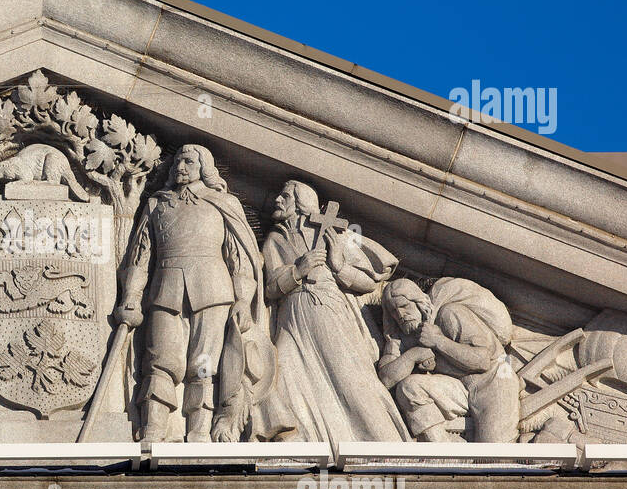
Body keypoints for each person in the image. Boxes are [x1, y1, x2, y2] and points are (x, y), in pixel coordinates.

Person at [116, 144, 284, 442]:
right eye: (177, 161)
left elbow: (240, 258)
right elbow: (140, 256)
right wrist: (131, 296)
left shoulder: (223, 203)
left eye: (189, 162)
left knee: (204, 363)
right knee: (160, 358)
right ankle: (153, 429)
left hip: (214, 291)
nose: (180, 167)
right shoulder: (157, 204)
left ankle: (198, 431)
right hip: (164, 290)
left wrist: (244, 300)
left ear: (203, 167)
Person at [262, 180, 409, 443]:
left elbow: (369, 283)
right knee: (283, 367)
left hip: (326, 310)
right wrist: (297, 270)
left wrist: (339, 265)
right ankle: (295, 436)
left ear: (301, 203)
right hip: (292, 316)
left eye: (285, 196)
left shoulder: (332, 235)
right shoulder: (276, 239)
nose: (278, 200)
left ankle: (382, 440)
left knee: (348, 376)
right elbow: (271, 286)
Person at [378, 277, 522, 442]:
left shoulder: (449, 314)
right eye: (394, 312)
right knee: (409, 387)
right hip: (459, 388)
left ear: (419, 302)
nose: (400, 315)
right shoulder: (401, 337)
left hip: (493, 382)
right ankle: (441, 449)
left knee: (493, 457)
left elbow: (482, 361)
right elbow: (386, 379)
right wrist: (413, 355)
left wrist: (438, 341)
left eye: (404, 306)